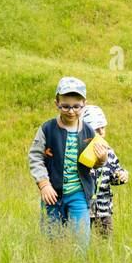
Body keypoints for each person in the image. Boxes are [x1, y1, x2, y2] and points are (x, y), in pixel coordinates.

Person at [27, 76, 107, 247]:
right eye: (65, 106)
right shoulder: (47, 129)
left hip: (79, 194)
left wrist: (101, 159)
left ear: (84, 104)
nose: (71, 111)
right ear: (57, 103)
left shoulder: (89, 131)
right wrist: (44, 184)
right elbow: (35, 157)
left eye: (76, 106)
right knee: (52, 239)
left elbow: (92, 163)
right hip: (52, 194)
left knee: (81, 240)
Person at [81, 104, 128, 238]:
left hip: (104, 210)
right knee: (83, 241)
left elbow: (114, 173)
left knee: (105, 241)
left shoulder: (109, 152)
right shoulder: (80, 153)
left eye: (103, 128)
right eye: (97, 129)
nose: (101, 132)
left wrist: (121, 175)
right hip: (84, 210)